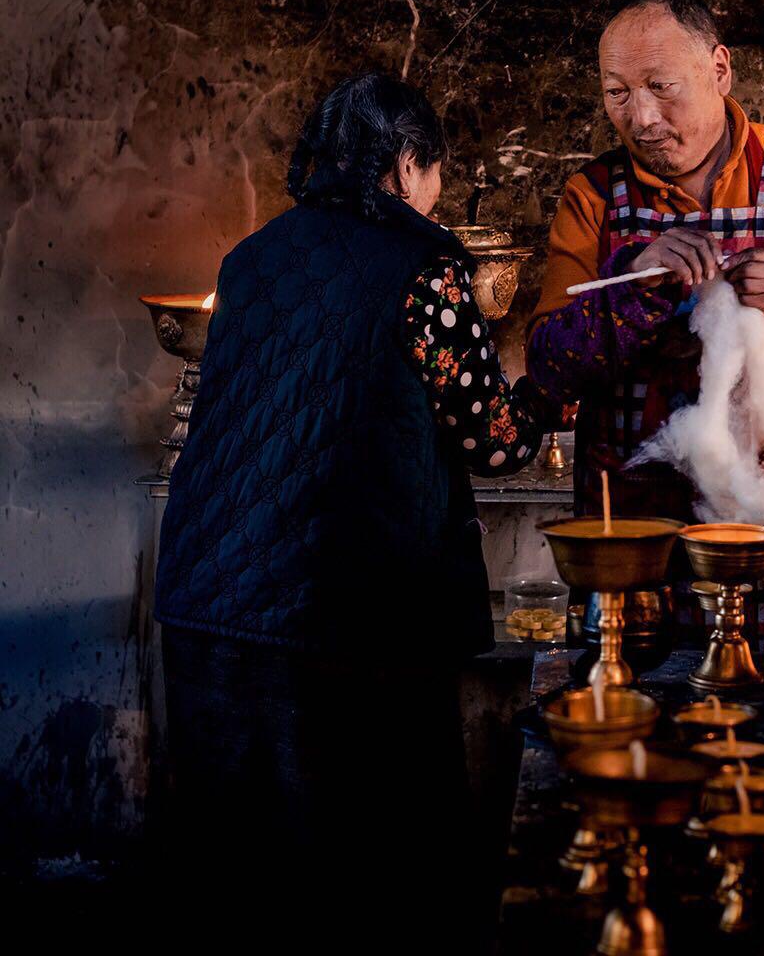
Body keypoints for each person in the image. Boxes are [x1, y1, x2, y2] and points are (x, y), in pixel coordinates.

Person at [153, 73, 545, 952]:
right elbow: (495, 442)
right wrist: (549, 389)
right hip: (351, 616)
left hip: (212, 600)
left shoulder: (249, 262)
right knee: (381, 876)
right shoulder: (428, 265)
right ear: (406, 164)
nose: (436, 194)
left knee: (252, 877)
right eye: (436, 173)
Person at [524, 0, 764, 532]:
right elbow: (548, 368)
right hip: (641, 533)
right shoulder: (592, 197)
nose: (642, 117)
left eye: (661, 87)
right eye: (617, 93)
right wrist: (633, 286)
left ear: (720, 68)